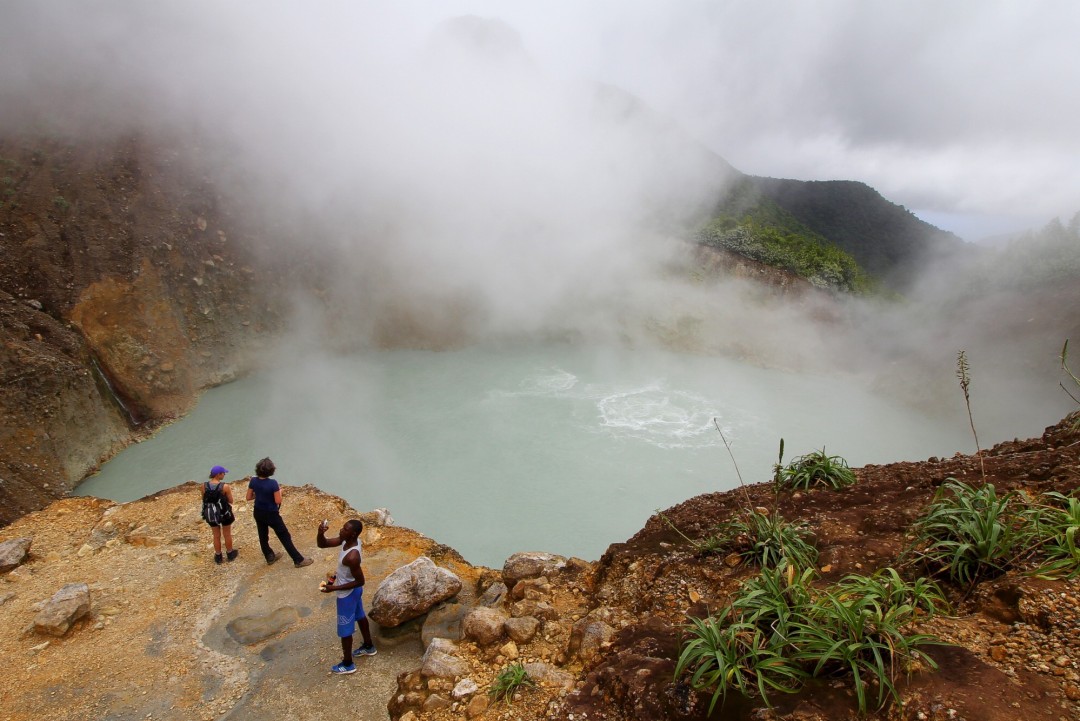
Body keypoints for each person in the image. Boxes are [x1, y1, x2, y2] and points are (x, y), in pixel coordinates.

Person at [318, 518, 376, 674]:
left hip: (347, 595)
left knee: (345, 631)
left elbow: (360, 581)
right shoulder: (347, 541)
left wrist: (334, 588)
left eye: (345, 529)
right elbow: (322, 544)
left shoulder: (352, 557)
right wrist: (320, 533)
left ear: (353, 534)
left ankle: (348, 663)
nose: (341, 531)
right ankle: (369, 646)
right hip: (354, 593)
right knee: (360, 616)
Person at [244, 457, 313, 568]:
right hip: (271, 514)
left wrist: (260, 494)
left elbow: (248, 497)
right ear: (271, 471)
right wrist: (280, 491)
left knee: (263, 535)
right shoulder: (273, 483)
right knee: (284, 536)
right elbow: (278, 501)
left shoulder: (253, 480)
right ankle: (298, 560)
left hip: (258, 512)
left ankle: (269, 556)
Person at [202, 465, 238, 564]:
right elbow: (231, 501)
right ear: (218, 474)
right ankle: (230, 553)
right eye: (223, 473)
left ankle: (218, 556)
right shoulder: (224, 487)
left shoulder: (204, 486)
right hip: (224, 513)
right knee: (227, 534)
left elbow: (204, 499)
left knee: (216, 535)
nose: (224, 474)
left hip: (211, 514)